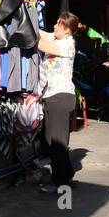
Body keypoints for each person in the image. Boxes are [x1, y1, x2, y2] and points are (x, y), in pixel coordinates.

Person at [37, 12, 80, 187]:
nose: (54, 26)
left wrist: (23, 34)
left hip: (61, 96)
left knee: (58, 142)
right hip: (50, 96)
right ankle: (66, 172)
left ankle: (61, 182)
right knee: (51, 139)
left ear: (68, 31)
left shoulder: (68, 45)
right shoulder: (56, 39)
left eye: (58, 24)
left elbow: (39, 44)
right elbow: (38, 33)